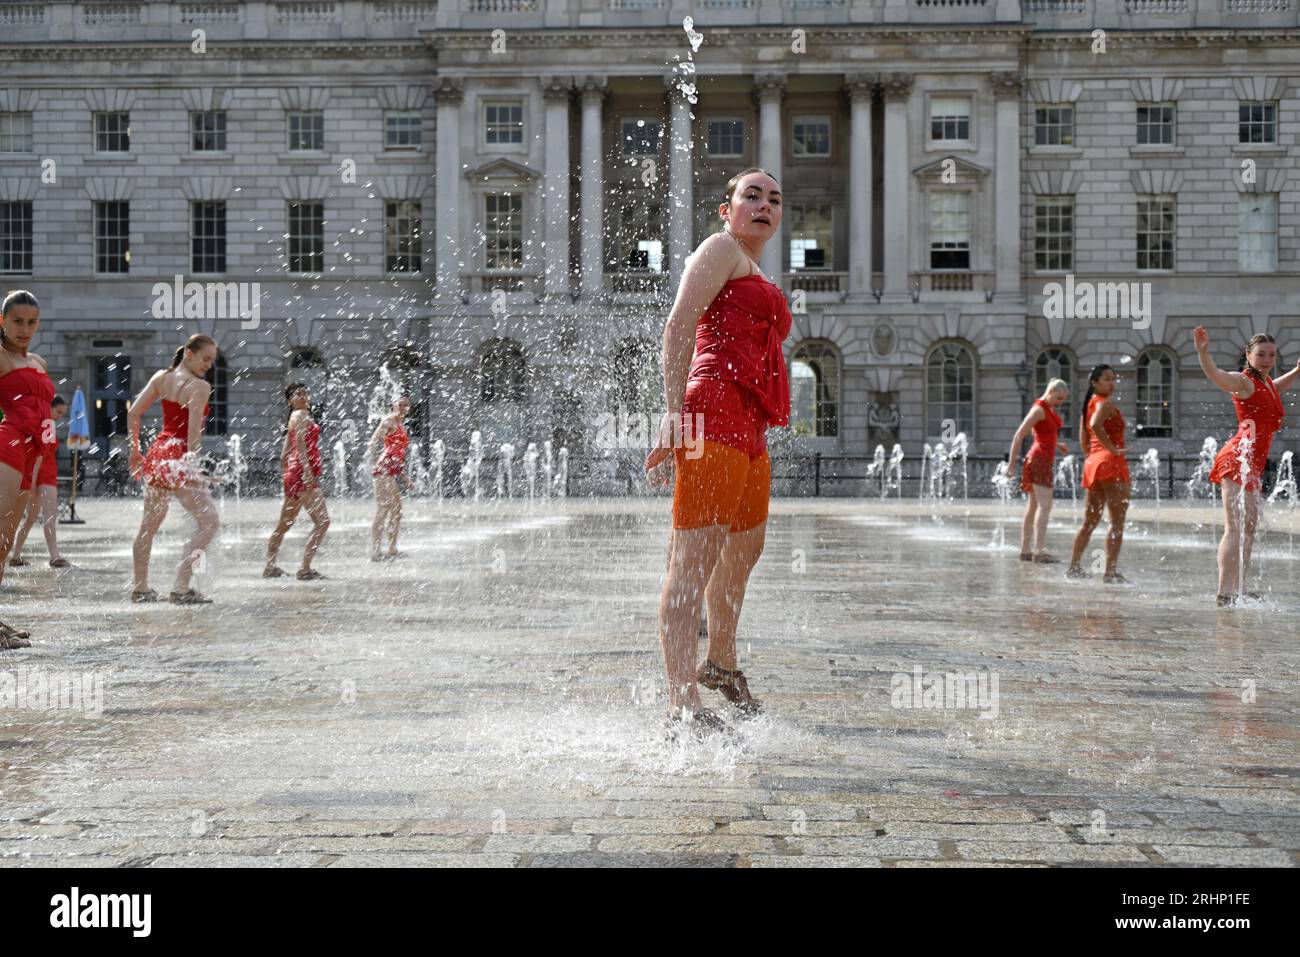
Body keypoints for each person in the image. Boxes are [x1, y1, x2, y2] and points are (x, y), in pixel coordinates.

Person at [645, 167, 791, 736]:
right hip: (712, 414)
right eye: (751, 196)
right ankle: (681, 702)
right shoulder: (721, 248)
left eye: (774, 199)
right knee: (692, 563)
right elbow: (679, 323)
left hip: (750, 426)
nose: (764, 205)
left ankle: (722, 663)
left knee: (744, 551)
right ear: (726, 210)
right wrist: (674, 415)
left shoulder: (755, 268)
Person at [1196, 327, 1298, 605]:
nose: (1267, 360)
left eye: (1272, 355)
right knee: (1235, 528)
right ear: (1248, 355)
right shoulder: (1243, 382)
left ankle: (1240, 588)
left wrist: (1297, 370)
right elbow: (1217, 375)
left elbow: (1276, 388)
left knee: (1249, 529)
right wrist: (1203, 353)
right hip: (1236, 459)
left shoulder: (1266, 384)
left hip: (1252, 465)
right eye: (1261, 354)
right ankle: (1224, 593)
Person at [128, 334, 220, 604]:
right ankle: (181, 587)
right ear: (188, 353)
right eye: (205, 359)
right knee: (209, 522)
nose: (208, 365)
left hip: (159, 454)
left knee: (148, 526)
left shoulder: (161, 377)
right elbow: (193, 434)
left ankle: (140, 588)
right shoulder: (199, 386)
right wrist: (194, 467)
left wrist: (135, 451)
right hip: (179, 456)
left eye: (212, 361)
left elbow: (133, 413)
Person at [0, 290, 53, 649]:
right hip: (8, 445)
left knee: (5, 542)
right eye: (17, 321)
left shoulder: (38, 361)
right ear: (2, 321)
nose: (24, 328)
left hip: (33, 454)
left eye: (31, 322)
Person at [1067, 365, 1131, 583]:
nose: (1112, 383)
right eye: (1107, 379)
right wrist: (1112, 449)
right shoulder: (1103, 404)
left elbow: (1083, 439)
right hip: (1111, 464)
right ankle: (1110, 572)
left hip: (1093, 464)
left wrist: (1094, 457)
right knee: (1117, 522)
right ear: (1094, 382)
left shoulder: (1088, 406)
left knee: (1089, 522)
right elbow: (1095, 425)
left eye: (1114, 379)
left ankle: (1074, 567)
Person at [264, 383, 330, 580]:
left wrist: (288, 475)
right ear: (290, 401)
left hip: (294, 474)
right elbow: (300, 445)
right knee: (323, 522)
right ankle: (305, 568)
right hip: (301, 473)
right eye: (297, 394)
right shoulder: (300, 415)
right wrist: (307, 471)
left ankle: (270, 566)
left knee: (285, 524)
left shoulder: (294, 418)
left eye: (305, 393)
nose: (303, 396)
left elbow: (284, 454)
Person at [1008, 380, 1070, 563]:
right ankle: (1040, 552)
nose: (1060, 402)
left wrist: (1058, 445)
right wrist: (1011, 464)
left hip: (1040, 458)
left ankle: (1025, 550)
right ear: (1050, 391)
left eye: (1062, 399)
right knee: (1045, 506)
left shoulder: (1047, 408)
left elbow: (1042, 435)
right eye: (1058, 398)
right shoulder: (1039, 409)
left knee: (1034, 506)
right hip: (1039, 459)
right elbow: (1019, 435)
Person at [10, 394, 70, 568]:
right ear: (50, 408)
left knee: (30, 518)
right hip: (46, 475)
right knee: (50, 515)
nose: (60, 416)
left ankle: (15, 555)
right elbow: (40, 455)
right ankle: (54, 556)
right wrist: (32, 482)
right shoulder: (47, 424)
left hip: (36, 474)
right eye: (58, 412)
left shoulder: (38, 422)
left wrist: (31, 480)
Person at [368, 395, 410, 561]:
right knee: (383, 508)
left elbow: (397, 453)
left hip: (391, 471)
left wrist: (404, 477)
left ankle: (392, 548)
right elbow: (373, 442)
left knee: (396, 510)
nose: (403, 408)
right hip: (383, 471)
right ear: (393, 405)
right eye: (400, 405)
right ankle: (376, 551)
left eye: (406, 405)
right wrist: (375, 463)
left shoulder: (400, 425)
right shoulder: (388, 421)